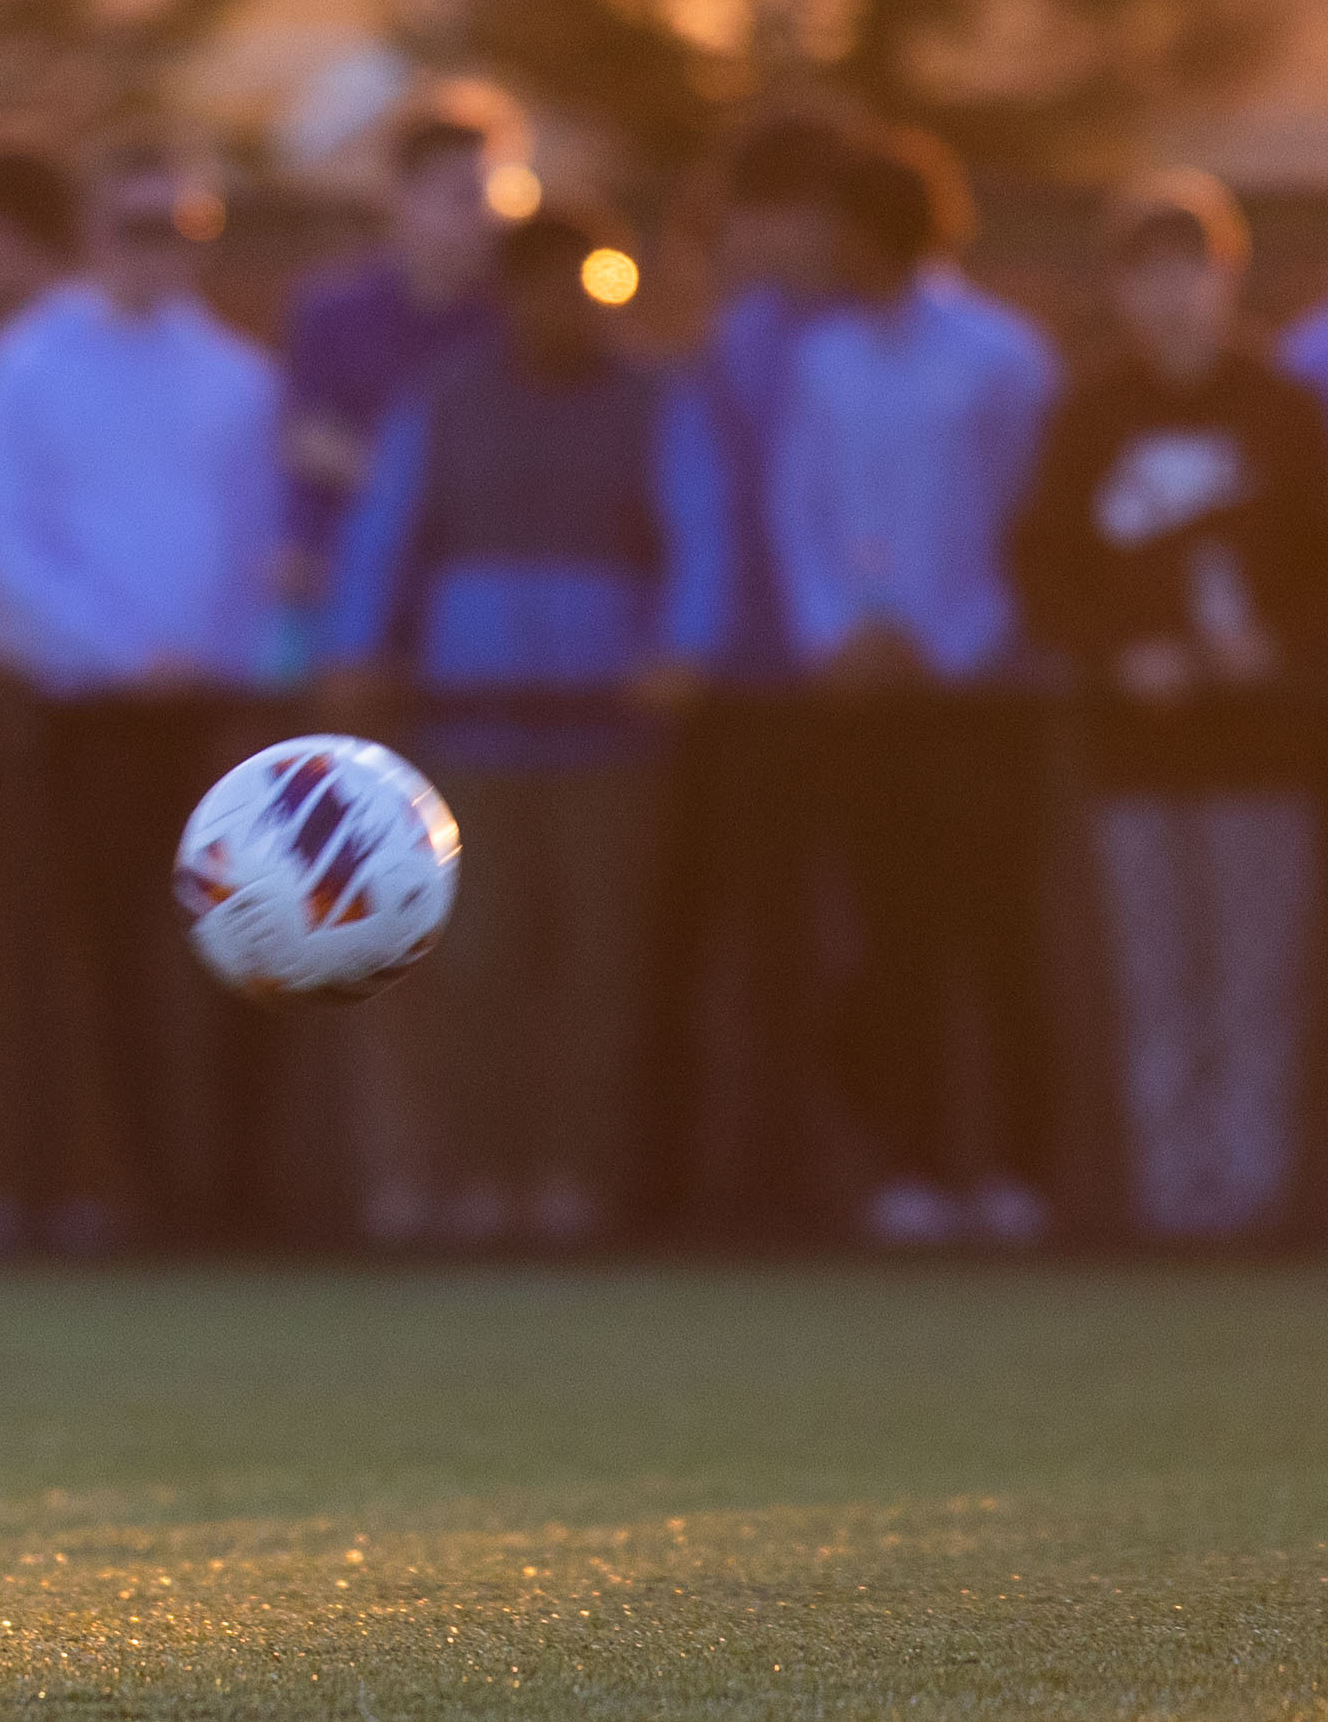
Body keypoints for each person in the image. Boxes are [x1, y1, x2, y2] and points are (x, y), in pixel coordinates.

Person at [315, 207, 730, 1245]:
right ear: (512, 293)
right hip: (475, 732)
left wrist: (680, 652)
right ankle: (468, 1177)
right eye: (548, 285)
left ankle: (571, 1178)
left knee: (596, 968)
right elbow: (386, 534)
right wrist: (358, 647)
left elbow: (701, 534)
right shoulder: (447, 400)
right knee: (476, 961)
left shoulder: (654, 400)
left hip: (608, 737)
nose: (570, 308)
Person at [0, 148, 284, 1244]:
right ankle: (131, 1193)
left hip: (212, 715)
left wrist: (211, 657)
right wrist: (124, 650)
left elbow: (256, 543)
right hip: (88, 713)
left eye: (175, 229)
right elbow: (8, 550)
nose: (156, 252)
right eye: (135, 227)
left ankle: (234, 1193)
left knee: (243, 952)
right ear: (96, 236)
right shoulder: (28, 366)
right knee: (106, 957)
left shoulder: (240, 377)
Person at [1009, 173, 1328, 1240]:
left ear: (1227, 279)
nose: (1171, 300)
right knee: (1156, 986)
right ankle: (1169, 1201)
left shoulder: (1282, 415)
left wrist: (1274, 644)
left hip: (1262, 754)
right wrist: (1121, 655)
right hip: (1132, 754)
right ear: (1119, 292)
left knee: (1254, 985)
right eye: (1146, 278)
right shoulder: (1091, 417)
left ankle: (1248, 1199)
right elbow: (1047, 570)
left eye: (1189, 275)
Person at [769, 131, 1061, 1247]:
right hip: (860, 703)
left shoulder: (1002, 356)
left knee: (998, 933)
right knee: (893, 939)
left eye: (836, 223)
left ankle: (1021, 1171)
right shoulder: (822, 360)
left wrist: (941, 646)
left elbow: (1028, 526)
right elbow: (799, 510)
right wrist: (838, 636)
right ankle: (916, 1163)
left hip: (976, 701)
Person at [645, 111, 852, 1233]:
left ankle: (844, 1181)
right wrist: (691, 645)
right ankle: (705, 1188)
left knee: (846, 948)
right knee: (722, 953)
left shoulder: (861, 334)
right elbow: (704, 519)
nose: (783, 237)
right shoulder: (727, 345)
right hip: (734, 700)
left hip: (859, 703)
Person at [275, 82, 522, 621]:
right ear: (404, 198)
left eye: (491, 197)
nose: (482, 215)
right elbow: (307, 440)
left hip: (458, 603)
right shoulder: (332, 311)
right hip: (337, 592)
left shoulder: (506, 322)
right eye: (461, 194)